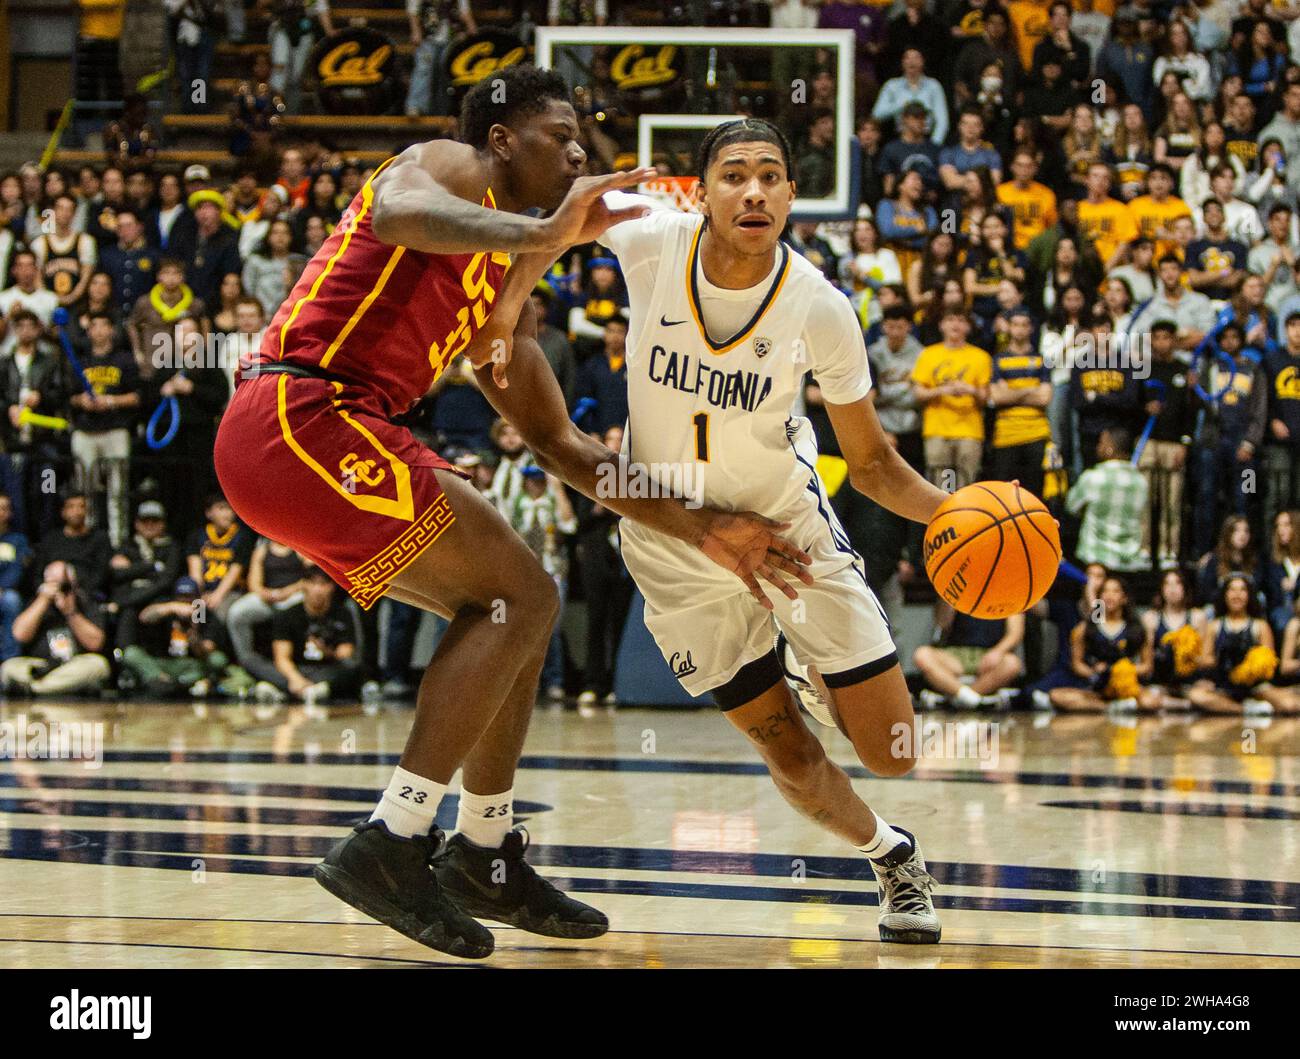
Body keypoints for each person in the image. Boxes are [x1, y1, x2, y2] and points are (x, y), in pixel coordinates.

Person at [212, 68, 812, 959]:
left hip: (321, 438)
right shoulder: (444, 164)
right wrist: (541, 228)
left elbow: (566, 447)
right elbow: (395, 218)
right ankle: (391, 839)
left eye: (583, 139)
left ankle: (483, 850)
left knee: (516, 607)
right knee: (520, 598)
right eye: (559, 133)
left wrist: (706, 527)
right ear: (502, 139)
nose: (578, 151)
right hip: (299, 416)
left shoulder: (499, 298)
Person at [589, 116, 947, 944]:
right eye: (734, 175)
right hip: (672, 545)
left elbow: (874, 466)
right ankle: (890, 854)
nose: (754, 190)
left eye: (771, 175)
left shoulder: (820, 306)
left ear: (793, 194)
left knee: (892, 749)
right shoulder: (648, 240)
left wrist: (959, 512)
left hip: (785, 533)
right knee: (787, 752)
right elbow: (547, 208)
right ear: (703, 192)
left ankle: (799, 645)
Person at [1188, 573, 1300, 714]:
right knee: (1196, 696)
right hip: (1224, 686)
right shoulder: (1214, 626)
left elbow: (1270, 665)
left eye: (1242, 590)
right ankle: (1245, 709)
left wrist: (1251, 666)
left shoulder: (1260, 626)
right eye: (1232, 590)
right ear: (1225, 595)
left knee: (1290, 704)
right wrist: (1223, 657)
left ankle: (1247, 706)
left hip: (1255, 687)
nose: (1237, 595)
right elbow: (1205, 660)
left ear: (1249, 595)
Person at [256, 564, 362, 705]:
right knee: (254, 662)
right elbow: (282, 658)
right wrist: (295, 678)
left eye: (323, 584)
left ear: (332, 586)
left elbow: (346, 654)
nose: (317, 590)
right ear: (304, 585)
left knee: (353, 667)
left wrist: (326, 651)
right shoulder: (288, 615)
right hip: (296, 668)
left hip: (326, 669)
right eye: (313, 583)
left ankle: (285, 692)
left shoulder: (343, 614)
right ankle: (312, 691)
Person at [0, 560, 110, 696]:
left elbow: (95, 643)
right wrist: (43, 600)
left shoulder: (86, 603)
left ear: (73, 583)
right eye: (53, 583)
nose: (59, 590)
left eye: (63, 585)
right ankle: (55, 687)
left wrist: (71, 612)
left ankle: (34, 689)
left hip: (72, 664)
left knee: (99, 665)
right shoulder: (36, 603)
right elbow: (19, 635)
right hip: (39, 665)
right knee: (8, 667)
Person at [1049, 574, 1156, 711]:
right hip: (1098, 687)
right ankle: (1110, 707)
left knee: (1151, 702)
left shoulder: (1137, 628)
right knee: (1057, 696)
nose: (1109, 596)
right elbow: (1076, 663)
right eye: (1105, 591)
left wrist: (1122, 671)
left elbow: (1147, 665)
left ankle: (1122, 703)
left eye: (1115, 591)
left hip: (1127, 685)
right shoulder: (1086, 628)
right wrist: (1094, 673)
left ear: (1124, 598)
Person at [912, 309, 992, 491]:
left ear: (968, 326)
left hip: (970, 432)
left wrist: (970, 390)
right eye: (950, 319)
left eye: (961, 320)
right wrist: (942, 391)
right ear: (941, 325)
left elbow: (986, 398)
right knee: (939, 488)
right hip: (936, 430)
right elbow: (918, 393)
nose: (955, 325)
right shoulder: (928, 354)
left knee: (967, 487)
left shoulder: (981, 357)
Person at [122, 574, 233, 697]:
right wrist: (172, 607)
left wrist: (193, 637)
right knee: (131, 653)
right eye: (181, 597)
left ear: (197, 598)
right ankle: (160, 679)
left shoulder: (204, 615)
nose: (185, 601)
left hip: (189, 664)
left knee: (218, 659)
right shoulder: (166, 608)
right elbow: (144, 617)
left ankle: (180, 684)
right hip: (161, 661)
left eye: (189, 597)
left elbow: (208, 649)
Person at [1065, 427, 1150, 572]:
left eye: (1101, 443)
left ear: (1109, 449)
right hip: (1131, 562)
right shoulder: (1141, 481)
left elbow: (1071, 507)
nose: (1098, 447)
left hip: (1095, 559)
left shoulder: (1093, 477)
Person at [988, 307, 1051, 498]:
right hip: (1006, 435)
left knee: (1035, 495)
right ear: (1009, 327)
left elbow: (1045, 397)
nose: (1020, 330)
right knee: (1005, 496)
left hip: (1036, 434)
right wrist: (1030, 389)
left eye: (1024, 325)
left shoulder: (1041, 360)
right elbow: (997, 397)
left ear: (1031, 328)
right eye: (1015, 325)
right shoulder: (998, 360)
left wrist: (1011, 391)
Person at [914, 607, 1025, 709]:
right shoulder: (956, 589)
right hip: (955, 655)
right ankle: (969, 697)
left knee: (1012, 663)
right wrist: (949, 600)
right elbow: (942, 624)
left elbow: (1015, 633)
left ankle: (962, 697)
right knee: (922, 655)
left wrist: (998, 651)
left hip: (991, 653)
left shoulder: (1008, 593)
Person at [1140, 568, 1202, 709]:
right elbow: (1147, 659)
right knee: (1147, 702)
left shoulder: (1198, 617)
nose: (1172, 589)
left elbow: (1203, 658)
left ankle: (1185, 704)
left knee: (1202, 696)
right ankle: (1183, 706)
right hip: (1160, 682)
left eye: (1177, 584)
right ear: (1161, 589)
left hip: (1190, 682)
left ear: (1185, 588)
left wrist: (1188, 655)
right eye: (1167, 584)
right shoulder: (1151, 618)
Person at [0, 492, 31, 662]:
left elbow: (17, 570)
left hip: (6, 592)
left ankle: (10, 661)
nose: (1, 512)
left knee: (12, 600)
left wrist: (3, 588)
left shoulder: (18, 540)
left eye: (4, 508)